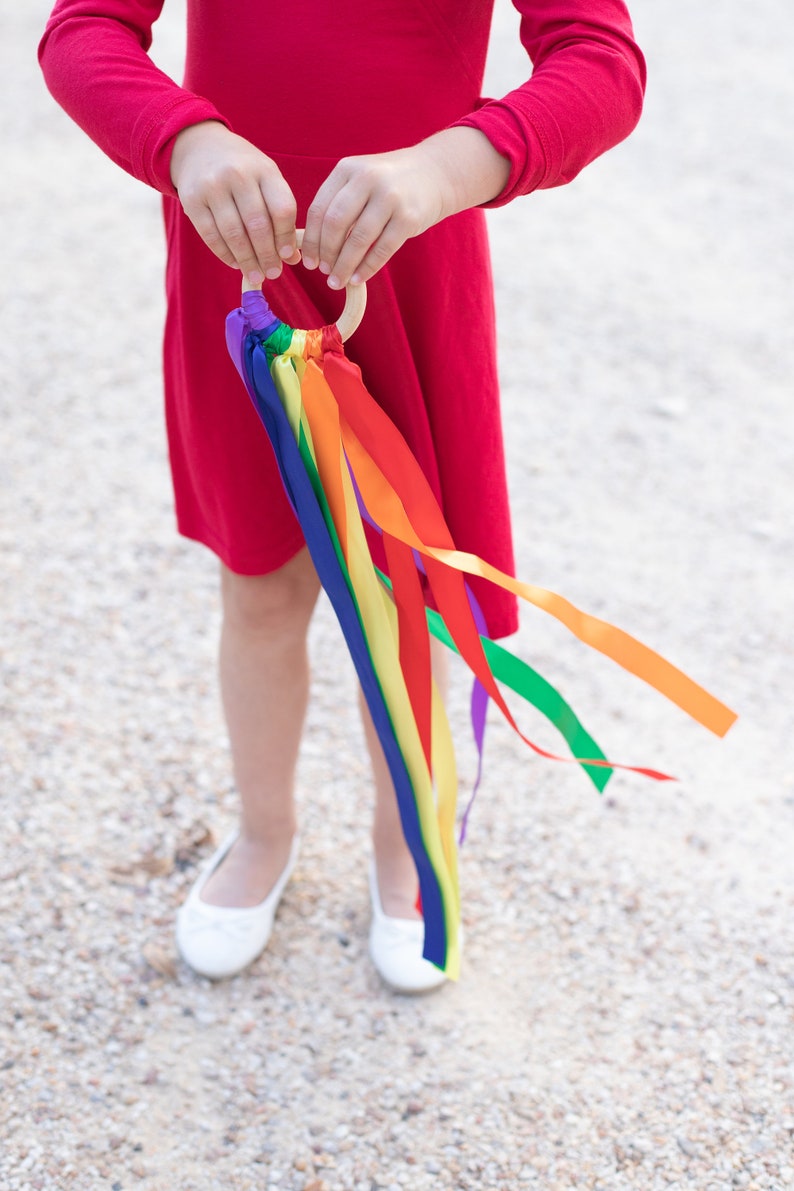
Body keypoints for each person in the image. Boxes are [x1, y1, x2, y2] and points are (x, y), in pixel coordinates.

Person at [39, 0, 645, 992]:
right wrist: (183, 138)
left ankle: (401, 843)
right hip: (238, 277)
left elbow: (599, 61)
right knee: (260, 588)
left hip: (410, 281)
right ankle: (263, 831)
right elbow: (84, 30)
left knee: (405, 591)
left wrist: (449, 163)